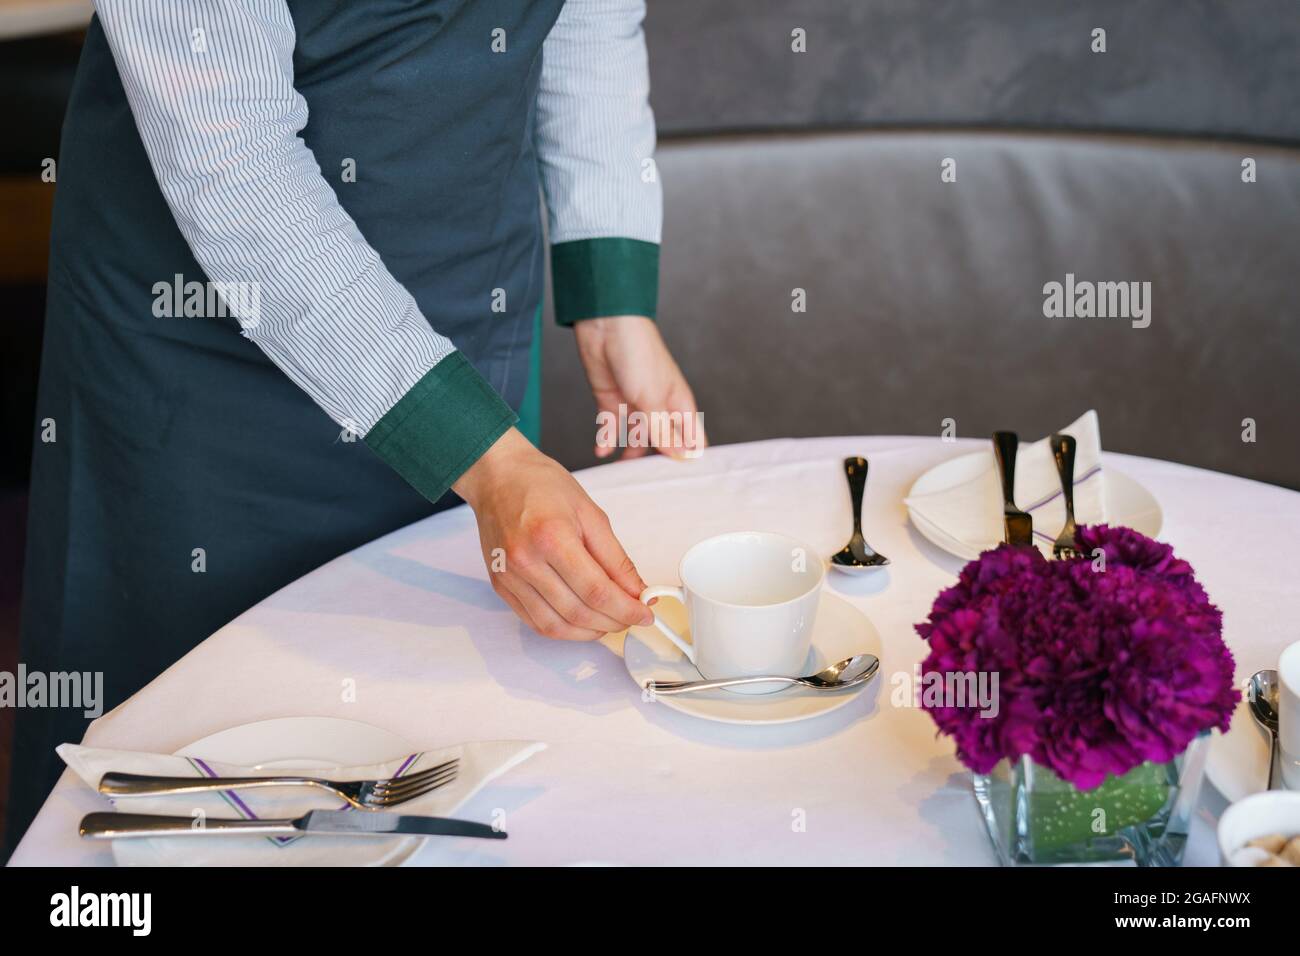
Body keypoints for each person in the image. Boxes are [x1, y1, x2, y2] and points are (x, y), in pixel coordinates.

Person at [5, 0, 703, 854]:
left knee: (446, 750)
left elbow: (587, 17)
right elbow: (232, 162)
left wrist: (612, 299)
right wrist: (484, 457)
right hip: (199, 352)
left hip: (462, 292)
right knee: (194, 784)